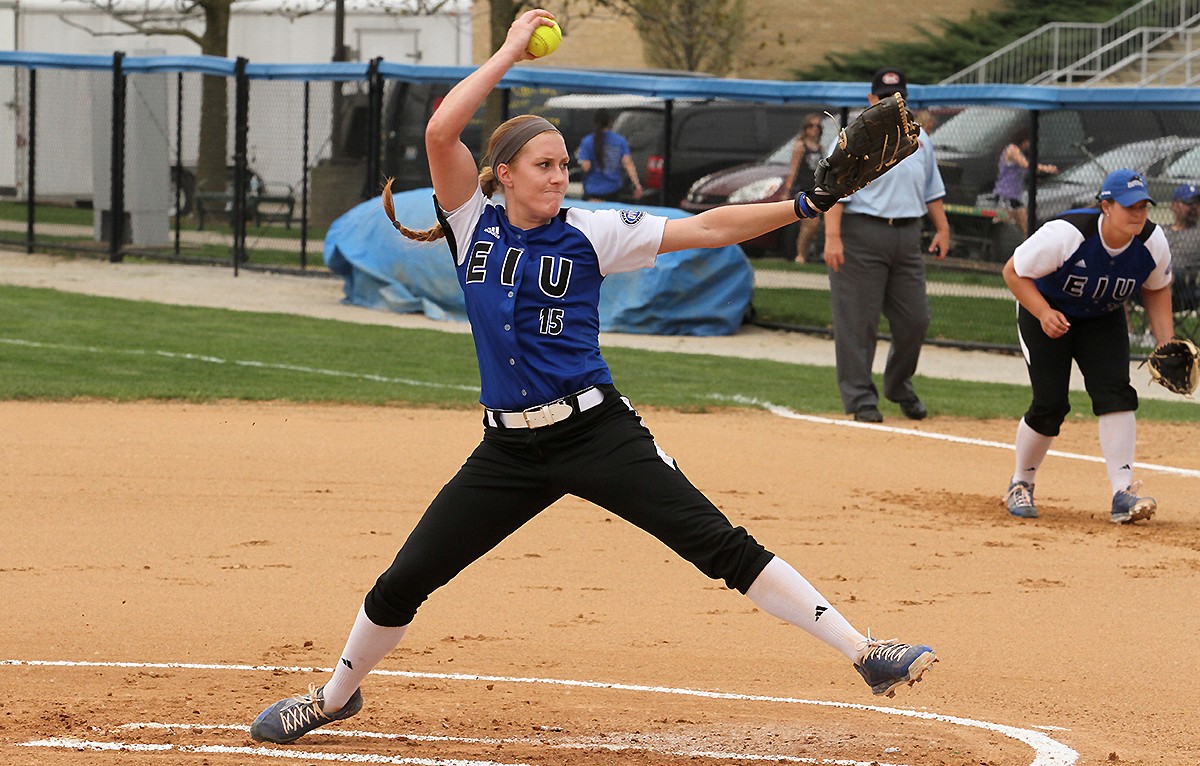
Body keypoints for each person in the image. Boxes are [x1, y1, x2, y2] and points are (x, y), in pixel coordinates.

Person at [247, 10, 936, 746]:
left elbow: (704, 229)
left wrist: (806, 204)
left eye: (564, 164)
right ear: (504, 174)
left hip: (597, 432)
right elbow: (441, 133)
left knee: (717, 543)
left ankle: (866, 652)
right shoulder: (472, 223)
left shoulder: (593, 230)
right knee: (406, 579)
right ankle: (333, 696)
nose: (558, 175)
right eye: (543, 164)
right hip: (507, 451)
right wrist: (510, 48)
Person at [1001, 168, 1175, 524]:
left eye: (1143, 206)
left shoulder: (1151, 242)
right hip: (1046, 314)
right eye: (1129, 206)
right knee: (1050, 404)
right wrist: (1043, 312)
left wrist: (1166, 342)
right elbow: (1013, 272)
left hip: (1101, 317)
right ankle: (1021, 482)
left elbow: (1157, 288)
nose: (1138, 214)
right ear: (1106, 206)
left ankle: (1122, 493)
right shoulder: (1067, 234)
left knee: (1115, 393)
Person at [821, 67, 951, 423]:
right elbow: (832, 191)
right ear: (870, 100)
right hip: (860, 234)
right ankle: (861, 398)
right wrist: (832, 237)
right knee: (857, 322)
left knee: (915, 319)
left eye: (897, 97)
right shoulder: (853, 138)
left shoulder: (919, 138)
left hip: (907, 235)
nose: (891, 103)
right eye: (883, 97)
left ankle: (897, 385)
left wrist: (942, 228)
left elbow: (931, 189)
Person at [992, 125, 1058, 237]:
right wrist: (1047, 168)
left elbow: (1025, 172)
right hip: (1006, 195)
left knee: (1025, 226)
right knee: (1011, 223)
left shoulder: (1021, 152)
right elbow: (1026, 165)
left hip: (1015, 195)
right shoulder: (1012, 149)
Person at [781, 113, 826, 263]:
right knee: (810, 222)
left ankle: (803, 254)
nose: (815, 129)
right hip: (802, 188)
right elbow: (793, 169)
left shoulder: (820, 148)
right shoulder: (801, 146)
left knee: (813, 224)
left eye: (818, 126)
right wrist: (787, 190)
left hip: (815, 188)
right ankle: (800, 255)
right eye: (811, 126)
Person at [576, 108, 642, 202]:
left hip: (592, 190)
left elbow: (586, 167)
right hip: (612, 191)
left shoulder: (587, 141)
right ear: (610, 122)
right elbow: (628, 164)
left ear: (594, 122)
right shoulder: (620, 140)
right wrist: (637, 185)